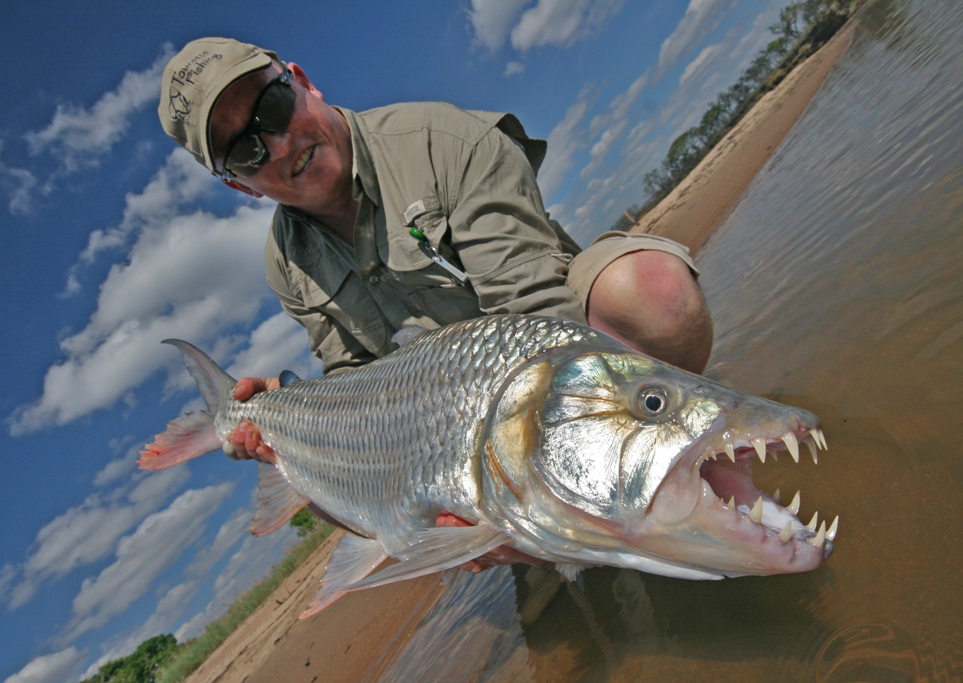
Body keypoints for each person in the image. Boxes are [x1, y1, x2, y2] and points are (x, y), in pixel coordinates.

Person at [158, 38, 713, 569]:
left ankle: (683, 457)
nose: (277, 146)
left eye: (273, 107)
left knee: (652, 289)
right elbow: (354, 377)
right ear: (241, 186)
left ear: (302, 82)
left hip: (545, 354)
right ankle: (523, 527)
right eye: (247, 150)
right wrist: (293, 418)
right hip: (436, 427)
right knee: (329, 484)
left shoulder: (444, 140)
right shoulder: (285, 261)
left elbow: (539, 315)